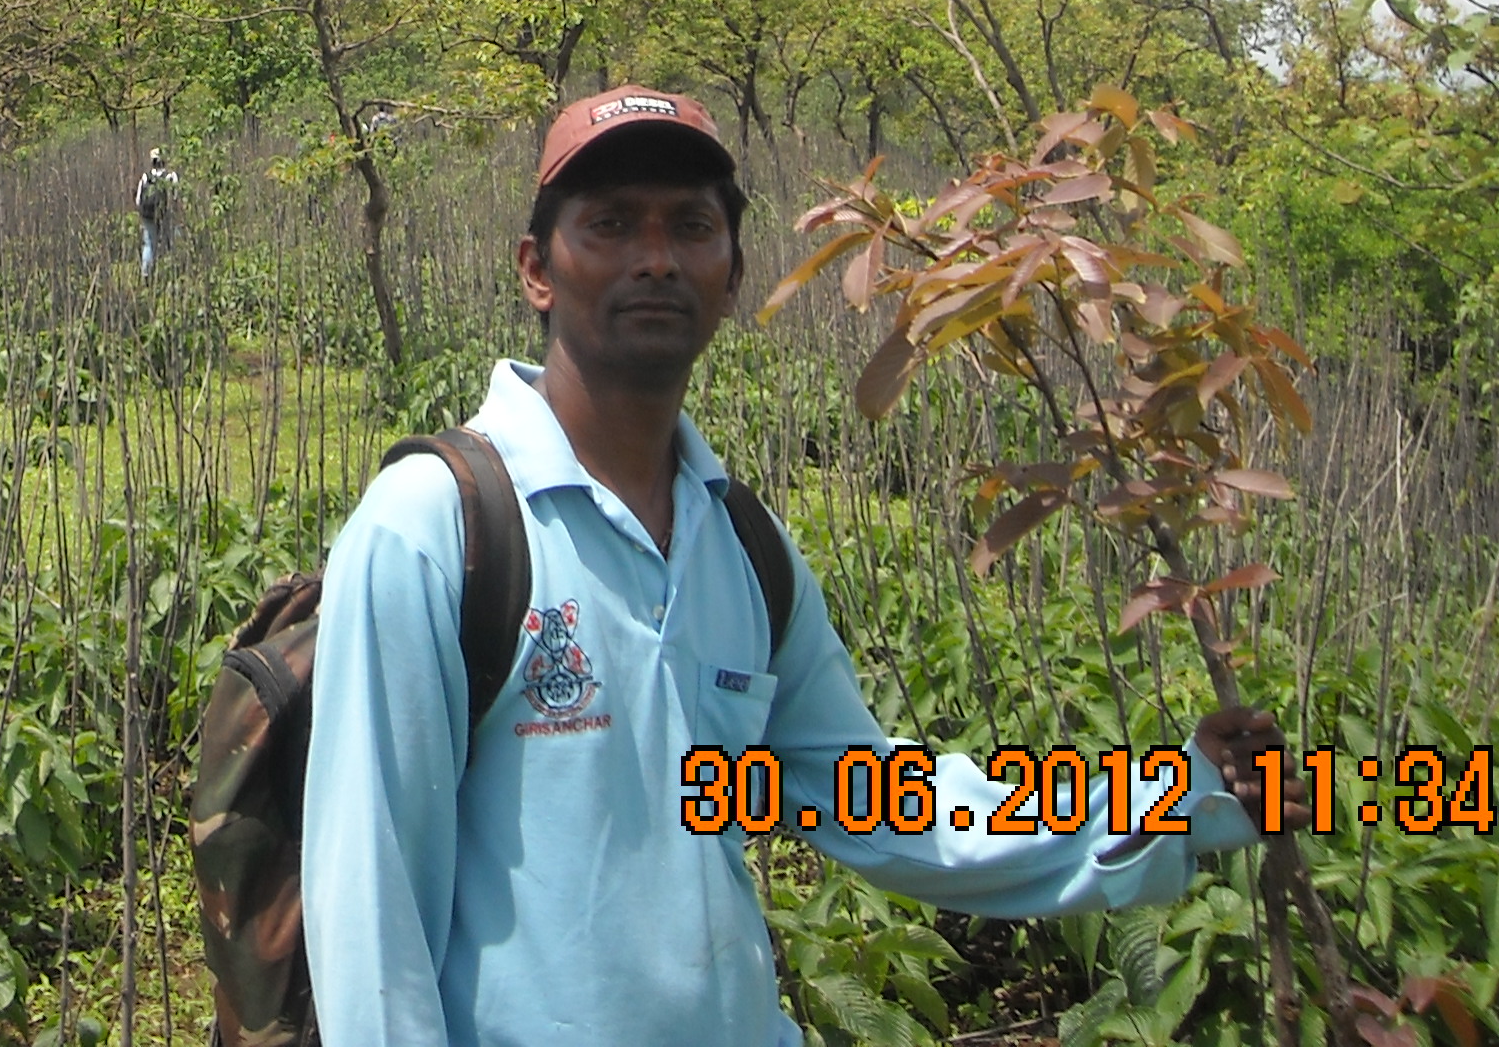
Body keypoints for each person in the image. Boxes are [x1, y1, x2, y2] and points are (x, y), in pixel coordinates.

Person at [303, 87, 1301, 1047]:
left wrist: (1178, 797)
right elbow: (371, 918)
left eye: (691, 226)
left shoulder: (744, 549)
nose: (656, 258)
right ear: (536, 267)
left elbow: (881, 801)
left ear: (733, 272)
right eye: (609, 225)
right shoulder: (436, 528)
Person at [135, 147, 182, 275]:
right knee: (172, 242)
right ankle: (173, 271)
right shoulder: (171, 176)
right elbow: (175, 197)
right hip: (165, 214)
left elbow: (138, 201)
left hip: (148, 215)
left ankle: (146, 274)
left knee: (149, 244)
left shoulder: (145, 177)